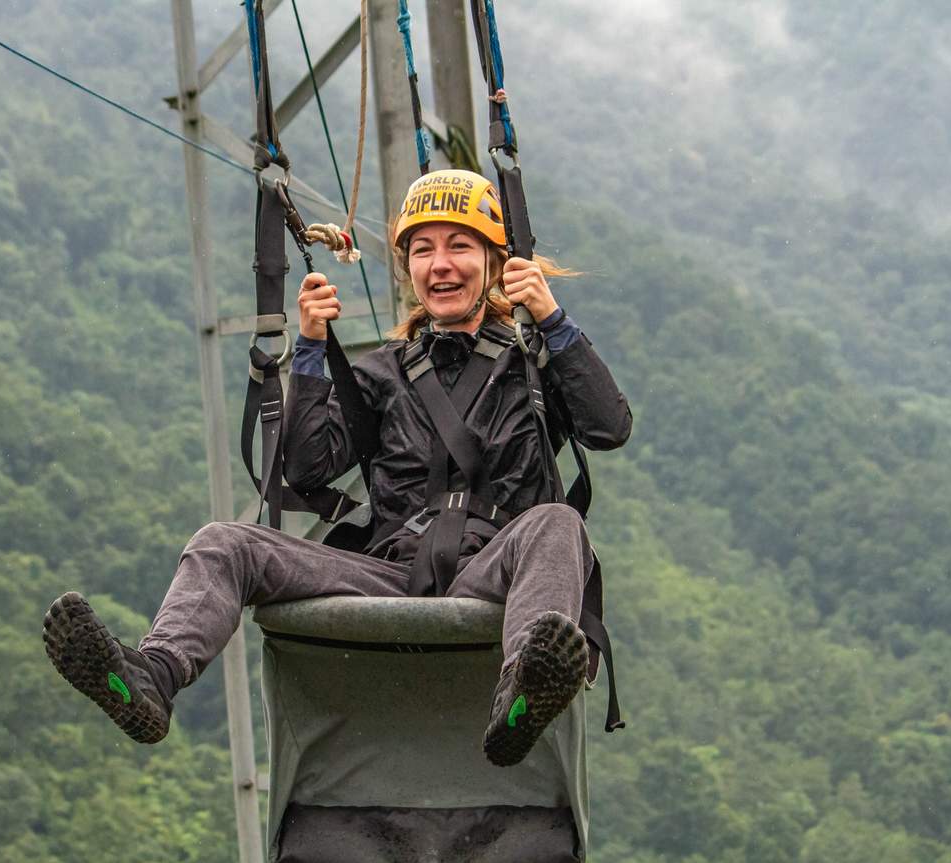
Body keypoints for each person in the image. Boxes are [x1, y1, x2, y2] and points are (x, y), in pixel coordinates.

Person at [43, 169, 631, 767]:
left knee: (558, 523)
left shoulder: (534, 362)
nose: (441, 265)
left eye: (459, 246)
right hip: (393, 573)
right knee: (224, 542)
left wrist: (553, 321)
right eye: (424, 251)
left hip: (498, 571)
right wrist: (310, 347)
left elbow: (608, 428)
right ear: (409, 270)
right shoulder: (384, 372)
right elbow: (305, 469)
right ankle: (153, 677)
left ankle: (522, 691)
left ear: (494, 261)